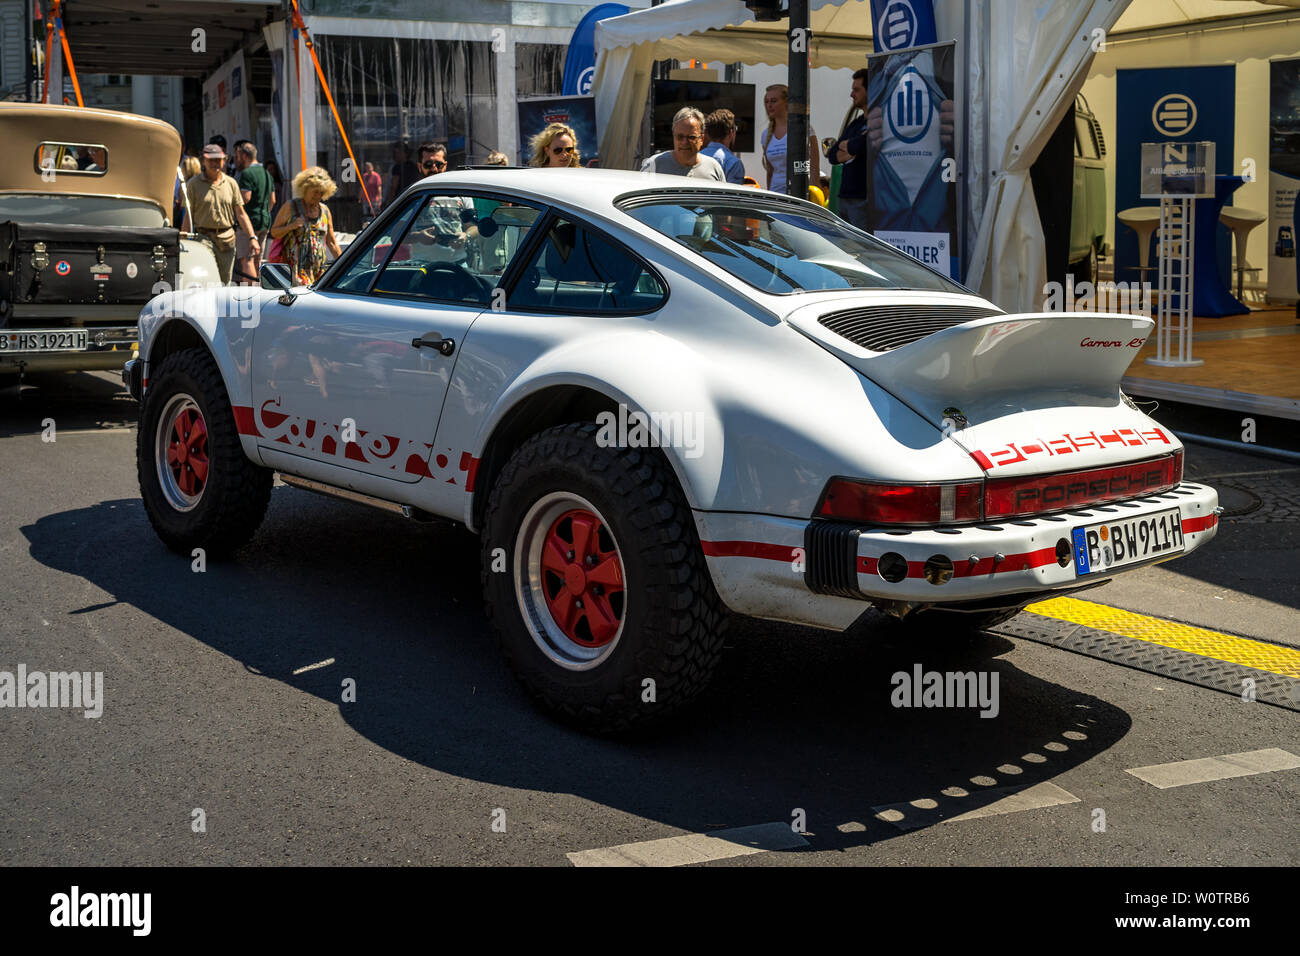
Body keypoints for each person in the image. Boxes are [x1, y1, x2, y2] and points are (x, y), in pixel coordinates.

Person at [182, 144, 260, 285]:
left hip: (226, 240)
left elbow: (241, 214)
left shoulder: (231, 183)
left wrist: (252, 237)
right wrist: (183, 239)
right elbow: (188, 215)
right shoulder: (193, 184)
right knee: (206, 280)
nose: (214, 164)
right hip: (203, 240)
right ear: (203, 161)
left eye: (218, 160)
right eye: (210, 160)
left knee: (224, 283)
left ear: (224, 160)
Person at [267, 166, 343, 287]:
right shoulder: (291, 206)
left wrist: (344, 266)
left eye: (321, 192)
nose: (318, 196)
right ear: (305, 189)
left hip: (318, 273)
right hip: (294, 273)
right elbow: (274, 232)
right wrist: (291, 226)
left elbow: (332, 243)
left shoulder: (325, 211)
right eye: (315, 192)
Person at [826, 68, 870, 230]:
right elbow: (832, 155)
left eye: (857, 90)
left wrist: (850, 146)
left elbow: (858, 145)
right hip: (845, 197)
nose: (852, 94)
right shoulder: (856, 123)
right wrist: (851, 148)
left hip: (864, 198)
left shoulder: (880, 120)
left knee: (864, 250)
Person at [761, 84, 819, 195]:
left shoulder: (804, 129)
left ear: (786, 102)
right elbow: (770, 172)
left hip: (799, 193)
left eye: (773, 101)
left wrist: (813, 193)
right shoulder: (765, 135)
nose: (769, 105)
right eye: (766, 101)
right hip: (776, 194)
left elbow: (814, 167)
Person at [639, 107, 725, 180]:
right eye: (680, 137)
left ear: (702, 139)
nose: (685, 142)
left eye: (691, 137)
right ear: (673, 137)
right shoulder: (654, 165)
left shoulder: (714, 168)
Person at [234, 141, 274, 284]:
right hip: (265, 221)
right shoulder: (267, 174)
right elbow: (273, 200)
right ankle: (258, 291)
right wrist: (263, 212)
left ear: (244, 156)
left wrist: (233, 198)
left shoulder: (247, 173)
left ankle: (249, 294)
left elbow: (245, 198)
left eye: (237, 157)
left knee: (247, 261)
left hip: (249, 223)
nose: (236, 161)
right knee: (258, 260)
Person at [700, 109, 746, 185]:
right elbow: (734, 195)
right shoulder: (733, 163)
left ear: (708, 134)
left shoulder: (696, 158)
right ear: (731, 132)